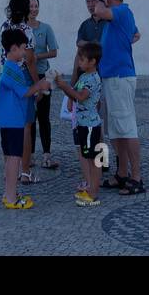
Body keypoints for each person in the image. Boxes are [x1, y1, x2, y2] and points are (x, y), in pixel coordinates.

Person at [93, 0, 143, 195]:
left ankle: (137, 177)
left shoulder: (121, 11)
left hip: (120, 78)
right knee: (116, 130)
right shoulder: (119, 17)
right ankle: (122, 173)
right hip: (112, 78)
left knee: (127, 128)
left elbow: (98, 11)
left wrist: (101, 1)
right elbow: (135, 34)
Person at [0, 29, 50, 210]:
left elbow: (23, 91)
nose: (24, 52)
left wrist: (34, 90)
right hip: (12, 120)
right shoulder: (12, 69)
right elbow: (25, 91)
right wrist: (40, 85)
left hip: (11, 119)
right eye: (22, 48)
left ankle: (8, 193)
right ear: (13, 49)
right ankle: (11, 198)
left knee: (12, 158)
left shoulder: (11, 67)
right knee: (14, 159)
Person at [50, 41, 103, 207]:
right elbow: (76, 96)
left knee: (93, 159)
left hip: (89, 125)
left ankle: (93, 192)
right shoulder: (84, 76)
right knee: (87, 157)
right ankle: (90, 188)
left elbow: (81, 96)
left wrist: (65, 86)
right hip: (82, 123)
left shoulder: (92, 79)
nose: (78, 62)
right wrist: (65, 89)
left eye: (82, 59)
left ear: (92, 61)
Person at [0, 0, 40, 183]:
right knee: (25, 126)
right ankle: (24, 171)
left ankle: (9, 169)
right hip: (22, 76)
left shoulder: (3, 27)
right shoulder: (27, 31)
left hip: (6, 76)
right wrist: (36, 85)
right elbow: (31, 61)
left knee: (8, 124)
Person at [26, 0, 59, 169]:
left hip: (43, 76)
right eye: (31, 6)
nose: (34, 9)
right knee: (29, 116)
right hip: (26, 77)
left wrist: (37, 56)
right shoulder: (22, 28)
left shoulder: (46, 28)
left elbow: (53, 51)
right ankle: (29, 155)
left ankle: (47, 154)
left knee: (44, 116)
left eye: (36, 6)